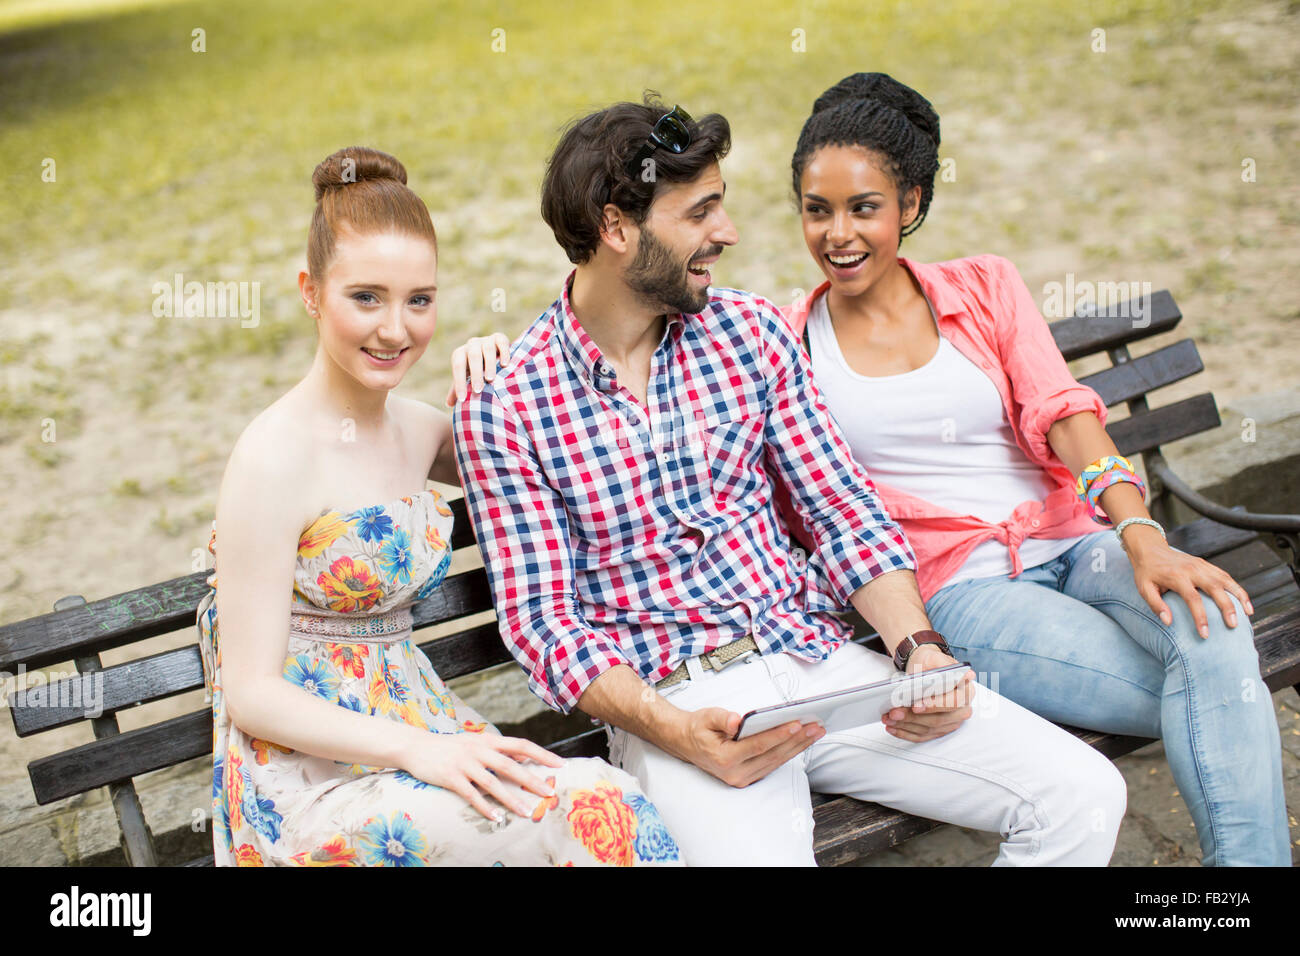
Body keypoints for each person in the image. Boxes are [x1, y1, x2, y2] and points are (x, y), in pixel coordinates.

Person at [452, 95, 1127, 867]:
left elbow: (842, 511)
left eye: (724, 206)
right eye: (700, 212)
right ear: (616, 228)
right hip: (674, 701)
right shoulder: (507, 404)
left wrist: (919, 650)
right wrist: (676, 733)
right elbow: (544, 625)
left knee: (1081, 793)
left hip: (823, 667)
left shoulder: (751, 332)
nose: (727, 233)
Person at [775, 72, 1290, 865]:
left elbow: (1064, 411)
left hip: (1075, 543)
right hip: (964, 593)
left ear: (910, 205)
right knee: (1224, 685)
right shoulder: (784, 342)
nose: (837, 233)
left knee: (1213, 632)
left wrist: (1143, 536)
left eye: (863, 207)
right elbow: (636, 332)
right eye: (818, 209)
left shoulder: (983, 286)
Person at [194, 145, 683, 867]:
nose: (396, 330)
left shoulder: (423, 430)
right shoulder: (271, 457)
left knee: (606, 801)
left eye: (418, 301)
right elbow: (254, 695)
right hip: (309, 781)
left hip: (420, 732)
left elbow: (567, 458)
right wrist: (420, 751)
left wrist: (499, 374)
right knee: (587, 808)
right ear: (309, 291)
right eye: (366, 297)